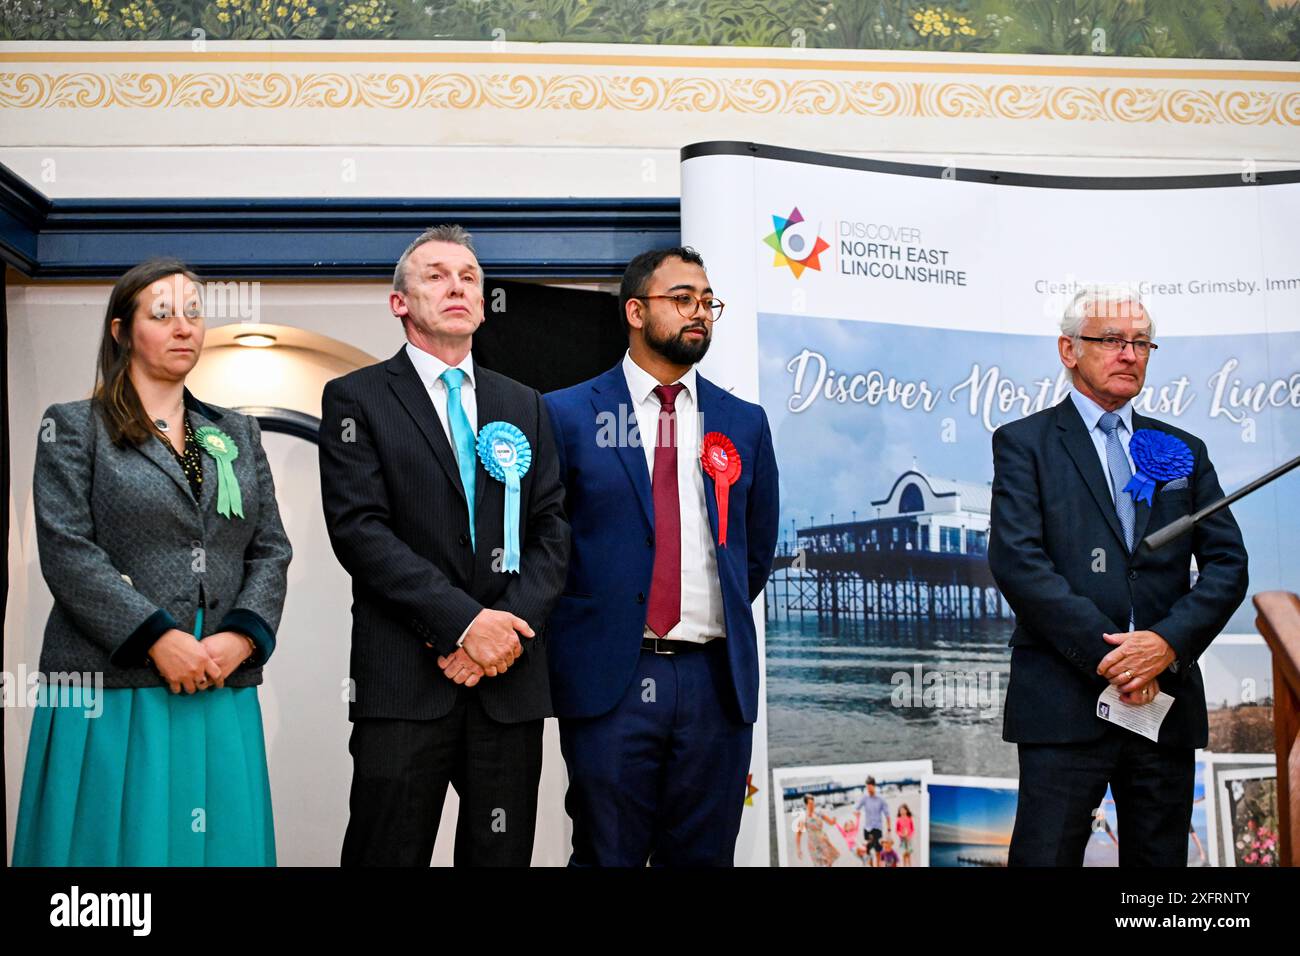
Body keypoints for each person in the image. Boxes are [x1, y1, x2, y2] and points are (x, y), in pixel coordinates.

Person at [13, 258, 292, 866]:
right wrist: (157, 637)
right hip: (114, 680)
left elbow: (271, 547)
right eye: (162, 315)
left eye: (193, 314)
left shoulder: (237, 432)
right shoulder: (72, 427)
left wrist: (242, 638)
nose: (183, 327)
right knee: (113, 851)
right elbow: (68, 551)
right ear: (121, 331)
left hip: (218, 673)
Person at [319, 225, 569, 867]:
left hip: (508, 684)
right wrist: (463, 625)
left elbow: (551, 531)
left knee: (500, 857)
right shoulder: (357, 398)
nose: (456, 286)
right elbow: (360, 532)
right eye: (435, 275)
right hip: (406, 680)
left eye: (468, 277)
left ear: (483, 303)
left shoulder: (527, 404)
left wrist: (502, 636)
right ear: (399, 302)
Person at [988, 286, 1248, 867]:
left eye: (1140, 343)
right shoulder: (1024, 443)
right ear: (1068, 349)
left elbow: (1228, 565)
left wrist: (1166, 645)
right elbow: (1020, 564)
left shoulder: (1184, 449)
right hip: (1063, 705)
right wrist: (1118, 659)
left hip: (1165, 705)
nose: (1129, 354)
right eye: (1112, 341)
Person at [544, 245, 780, 866]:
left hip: (713, 682)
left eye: (707, 301)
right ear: (634, 311)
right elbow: (549, 545)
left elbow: (755, 552)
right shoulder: (567, 415)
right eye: (681, 299)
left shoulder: (744, 423)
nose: (698, 312)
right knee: (606, 853)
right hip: (610, 679)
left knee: (704, 857)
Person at [855, 776, 892, 867]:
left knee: (878, 851)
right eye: (866, 787)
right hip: (867, 829)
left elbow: (887, 815)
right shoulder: (864, 797)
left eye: (869, 787)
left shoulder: (881, 799)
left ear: (874, 786)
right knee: (867, 850)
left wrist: (889, 829)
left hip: (877, 828)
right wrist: (856, 812)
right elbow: (856, 808)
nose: (868, 789)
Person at [795, 795, 840, 867]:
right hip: (813, 844)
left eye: (813, 802)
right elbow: (798, 834)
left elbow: (831, 823)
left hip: (823, 840)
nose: (812, 804)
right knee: (818, 864)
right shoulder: (803, 817)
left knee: (829, 862)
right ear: (806, 804)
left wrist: (834, 820)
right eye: (810, 803)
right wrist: (798, 849)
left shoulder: (819, 813)